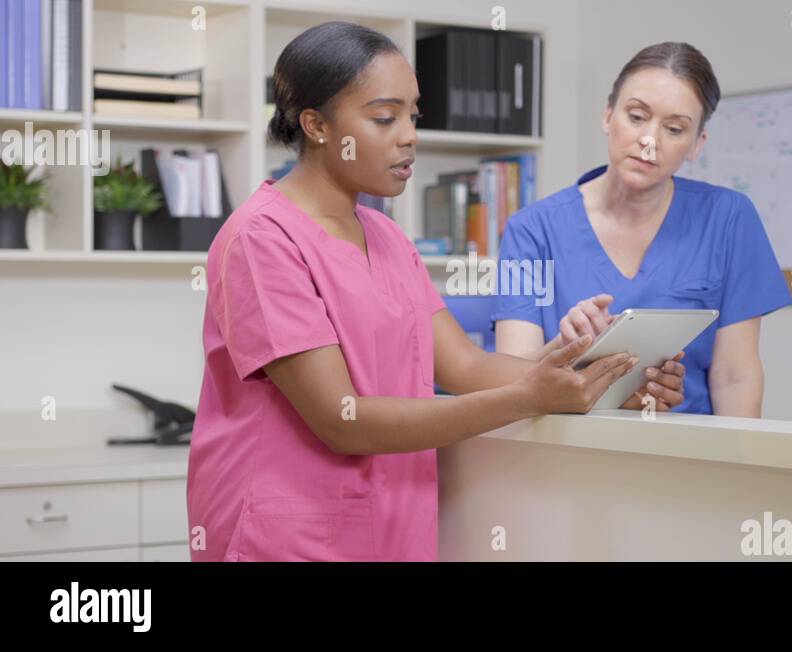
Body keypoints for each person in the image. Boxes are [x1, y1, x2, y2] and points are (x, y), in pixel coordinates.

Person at [186, 22, 685, 562]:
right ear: (316, 125)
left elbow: (465, 367)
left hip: (395, 525)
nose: (409, 135)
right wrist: (526, 398)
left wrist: (601, 381)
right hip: (287, 536)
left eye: (413, 115)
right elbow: (340, 418)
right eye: (384, 117)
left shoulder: (387, 237)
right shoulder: (262, 239)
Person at [495, 42, 792, 417]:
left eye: (673, 128)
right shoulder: (532, 230)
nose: (649, 141)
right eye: (636, 117)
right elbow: (511, 380)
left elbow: (735, 376)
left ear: (697, 144)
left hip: (688, 455)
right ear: (607, 116)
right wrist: (570, 350)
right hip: (566, 453)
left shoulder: (729, 218)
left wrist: (738, 473)